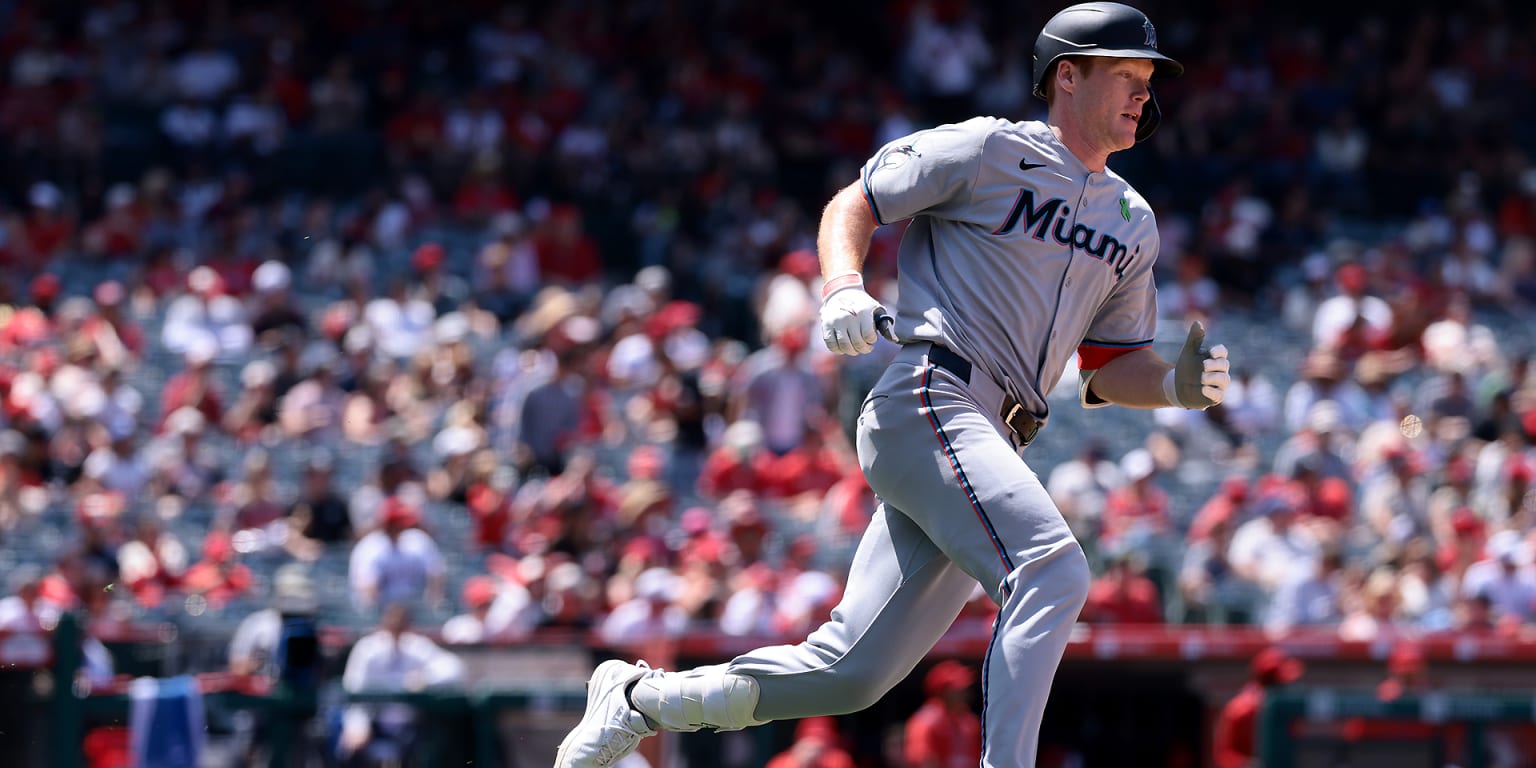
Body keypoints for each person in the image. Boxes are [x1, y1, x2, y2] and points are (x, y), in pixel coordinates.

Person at [554, 4, 1231, 767]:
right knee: (1050, 569)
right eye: (1126, 75)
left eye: (1147, 79)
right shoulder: (987, 148)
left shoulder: (1133, 220)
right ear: (1065, 76)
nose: (1144, 93)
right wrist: (842, 285)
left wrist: (1174, 383)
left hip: (992, 437)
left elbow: (1109, 368)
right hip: (932, 399)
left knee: (851, 674)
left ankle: (640, 701)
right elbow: (857, 203)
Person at [1213, 647, 1304, 768]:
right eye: (1283, 682)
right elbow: (1225, 755)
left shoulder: (1289, 709)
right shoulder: (1240, 710)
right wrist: (1248, 764)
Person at [903, 660, 982, 768]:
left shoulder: (969, 721)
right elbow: (924, 760)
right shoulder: (926, 721)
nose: (965, 692)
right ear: (942, 691)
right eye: (958, 689)